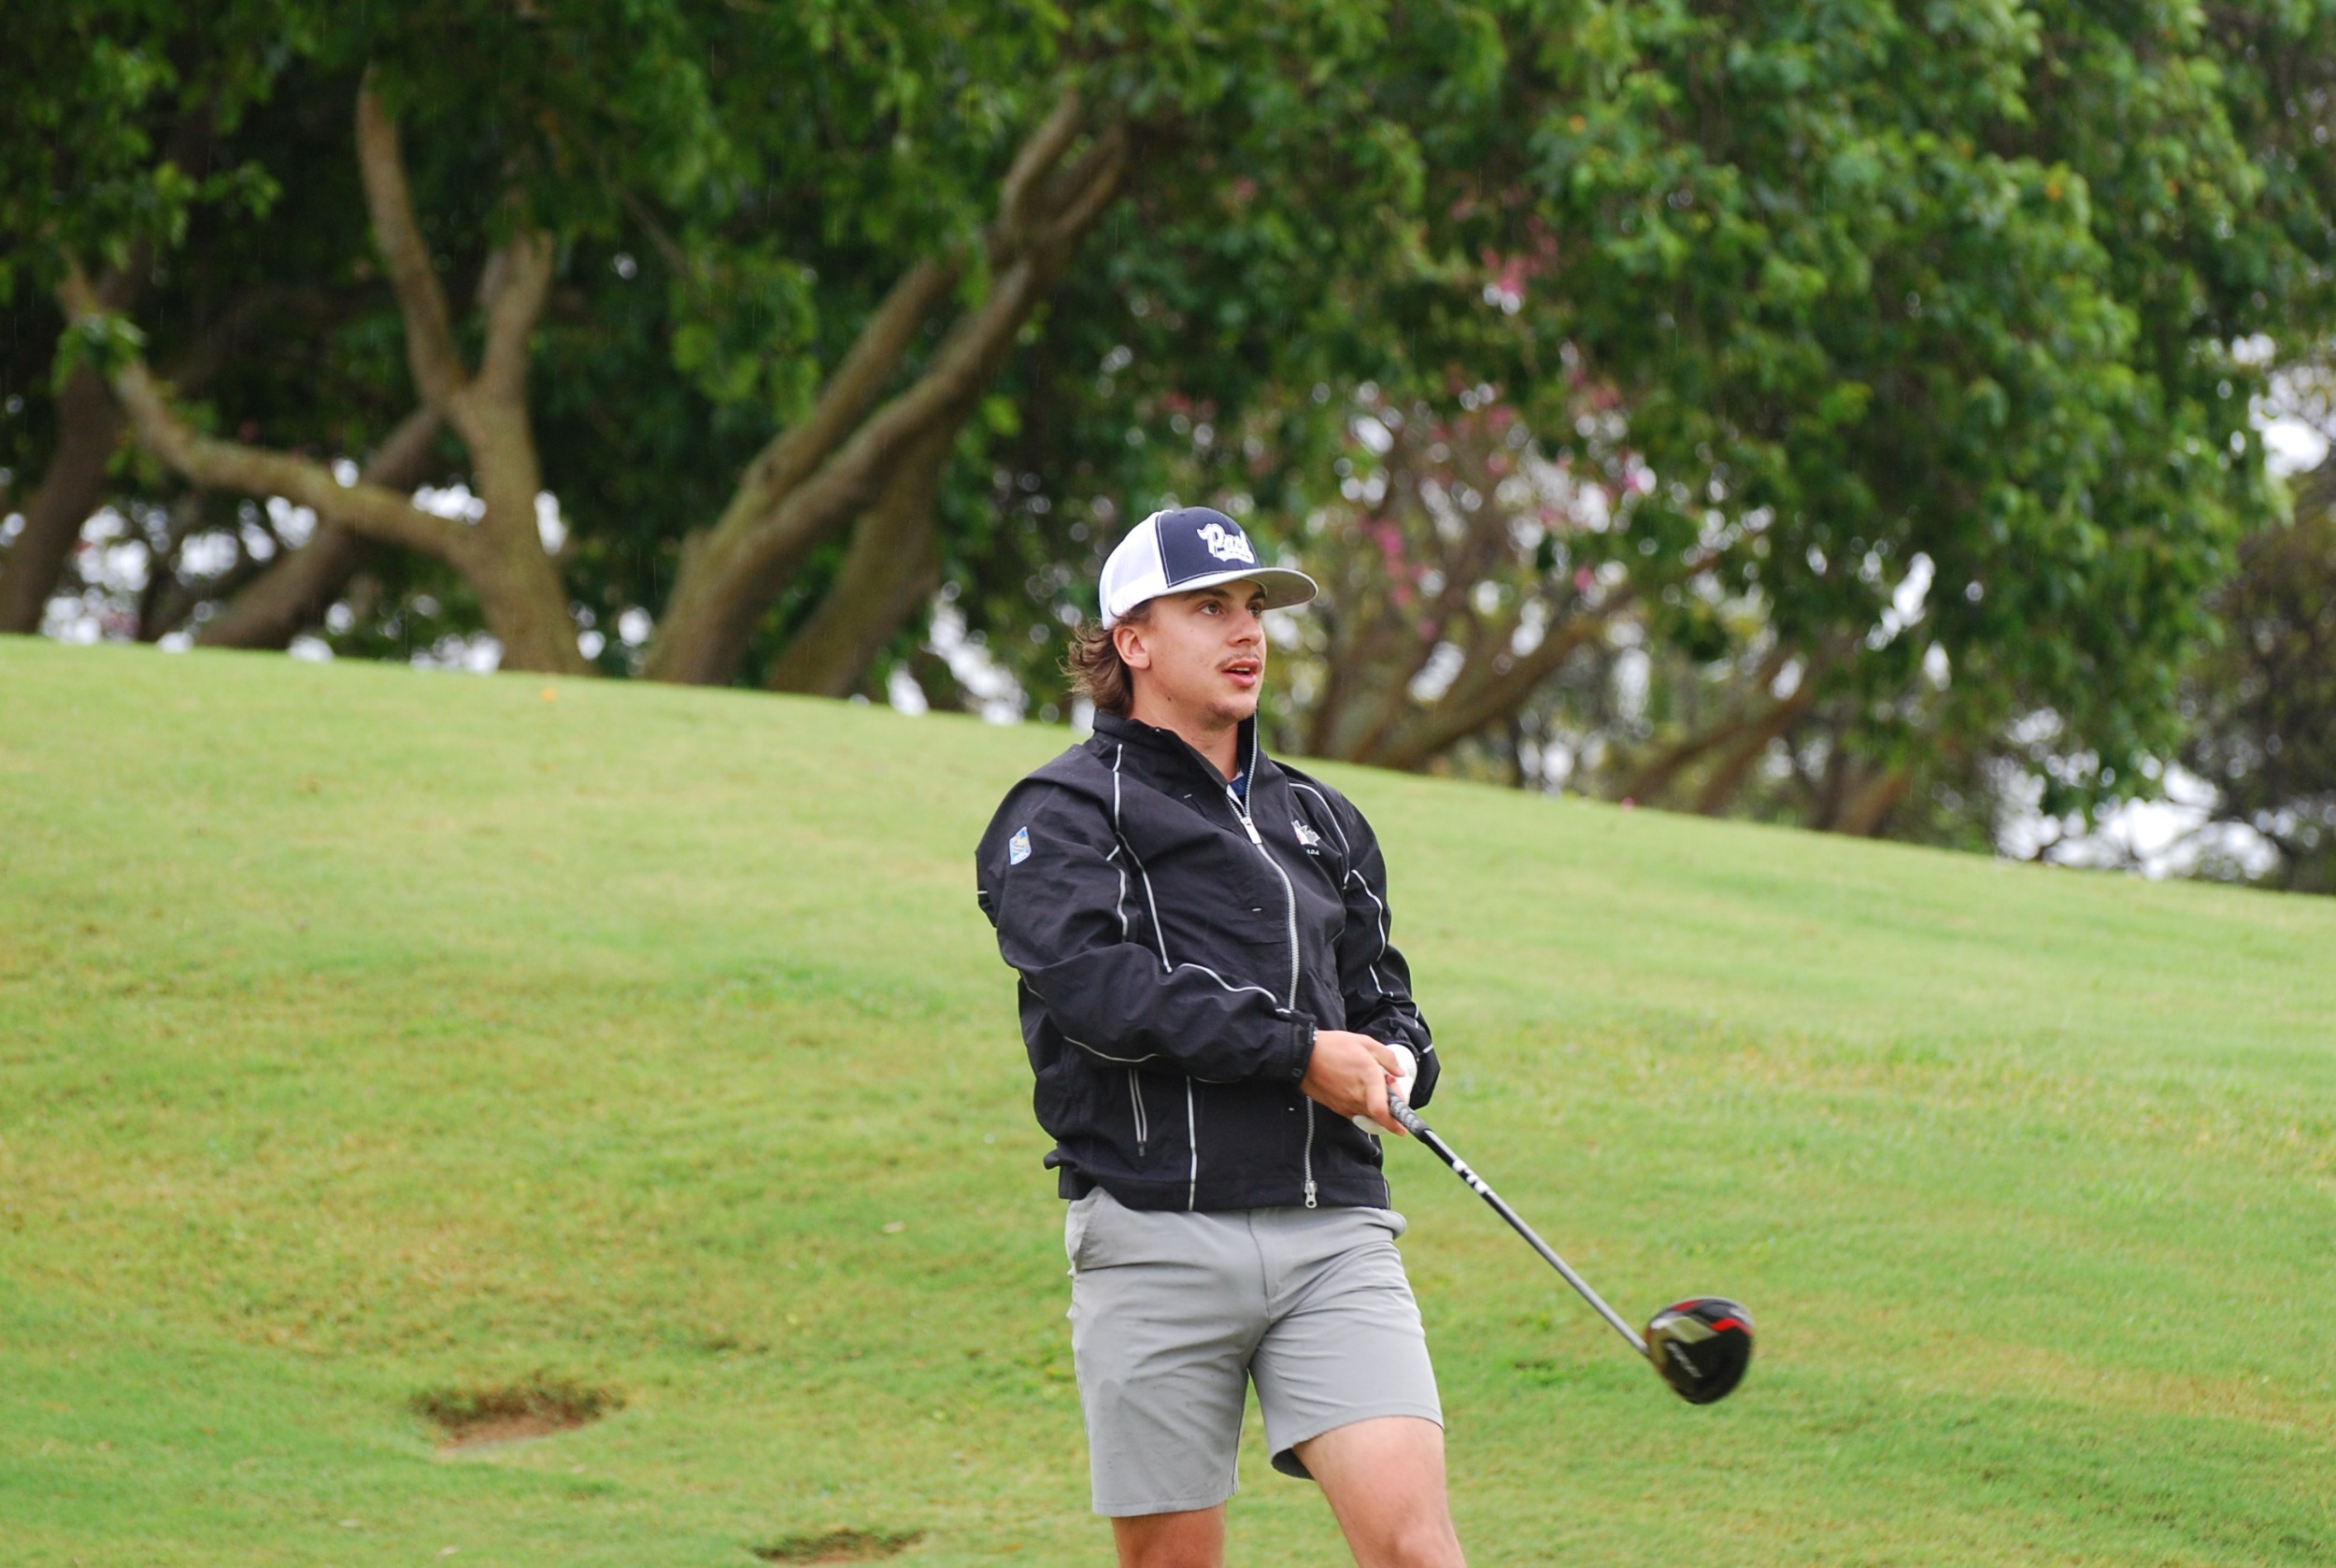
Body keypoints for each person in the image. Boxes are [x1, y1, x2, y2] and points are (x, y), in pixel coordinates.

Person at [975, 506, 1466, 1568]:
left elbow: (1383, 996)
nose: (1246, 631)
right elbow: (1099, 992)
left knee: (1418, 1552)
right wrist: (1299, 1054)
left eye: (1253, 608)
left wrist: (1394, 1062)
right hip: (1153, 1234)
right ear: (1132, 641)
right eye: (1209, 608)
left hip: (1330, 1231)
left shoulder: (1323, 821)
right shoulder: (1059, 812)